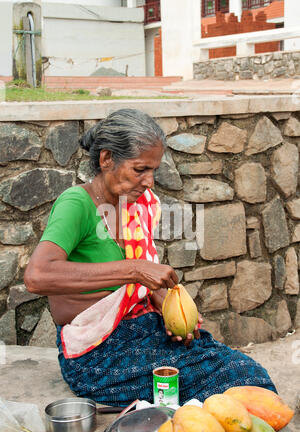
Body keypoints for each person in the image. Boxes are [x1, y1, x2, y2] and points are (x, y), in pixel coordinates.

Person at [24, 108, 277, 407]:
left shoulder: (136, 204)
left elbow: (136, 285)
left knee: (242, 372)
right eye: (140, 169)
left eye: (153, 170)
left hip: (142, 330)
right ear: (106, 160)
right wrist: (135, 270)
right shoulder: (76, 204)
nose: (150, 181)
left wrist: (164, 304)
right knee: (241, 386)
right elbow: (37, 276)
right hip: (98, 355)